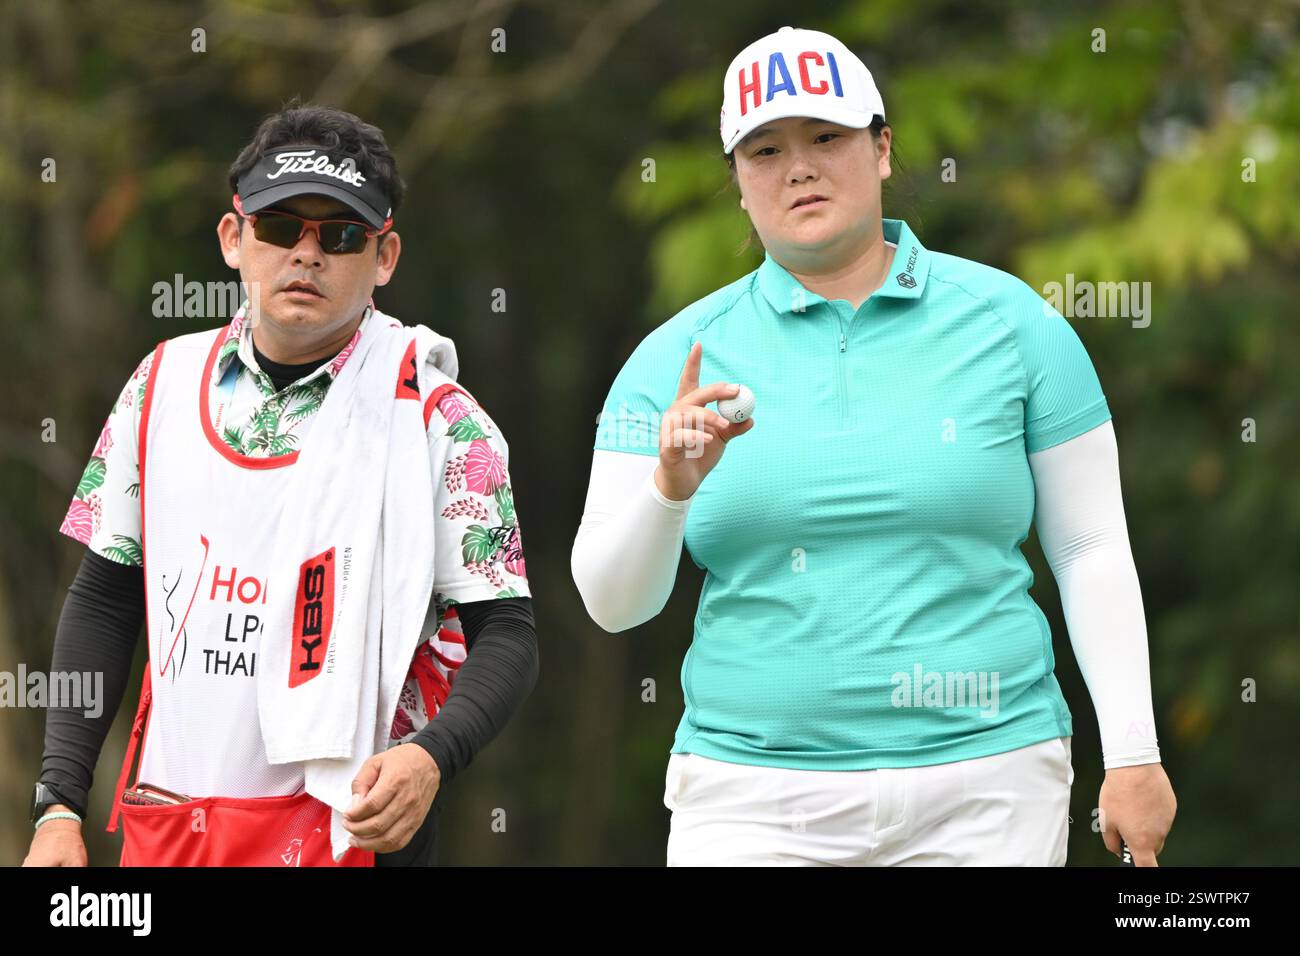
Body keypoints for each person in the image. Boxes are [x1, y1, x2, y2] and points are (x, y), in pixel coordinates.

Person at [572, 26, 1176, 866]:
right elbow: (613, 602)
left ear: (883, 148)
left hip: (989, 788)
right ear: (738, 184)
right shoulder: (673, 359)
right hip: (751, 801)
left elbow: (1090, 546)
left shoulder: (1018, 324)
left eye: (827, 137)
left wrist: (1134, 753)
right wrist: (669, 486)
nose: (800, 167)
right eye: (765, 149)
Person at [25, 99, 537, 867]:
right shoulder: (159, 385)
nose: (307, 255)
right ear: (235, 238)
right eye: (278, 228)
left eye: (339, 235)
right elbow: (104, 596)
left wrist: (432, 757)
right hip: (172, 822)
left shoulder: (441, 420)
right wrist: (59, 804)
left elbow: (508, 634)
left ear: (384, 257)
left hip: (350, 830)